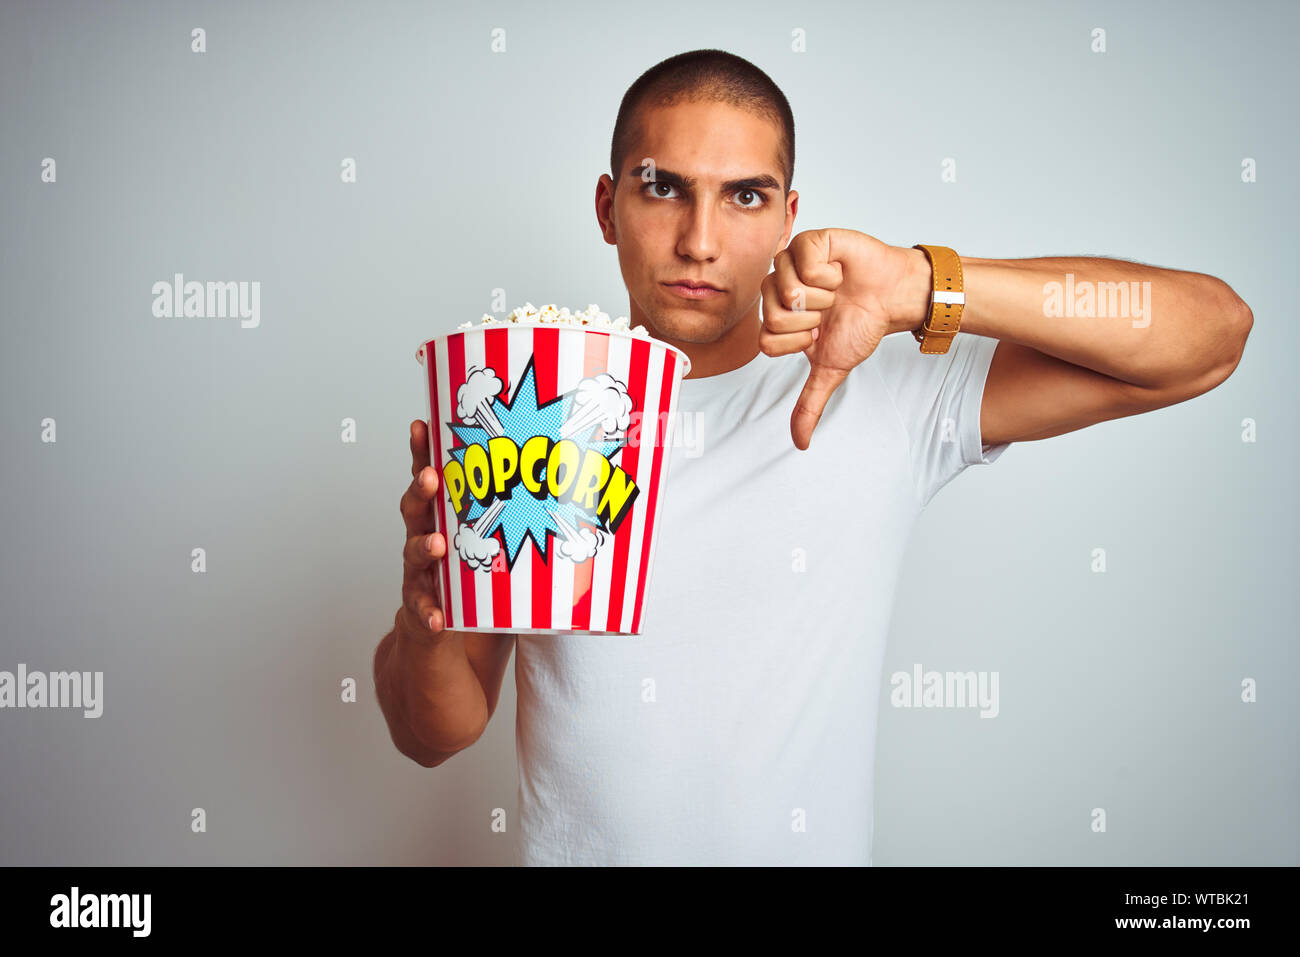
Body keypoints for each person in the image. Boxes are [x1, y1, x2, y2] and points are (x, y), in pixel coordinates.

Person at [374, 49, 1253, 865]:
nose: (701, 240)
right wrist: (426, 616)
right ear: (608, 207)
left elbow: (1210, 337)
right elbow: (433, 733)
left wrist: (919, 282)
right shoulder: (532, 408)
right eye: (663, 189)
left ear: (790, 213)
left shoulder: (880, 387)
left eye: (745, 196)